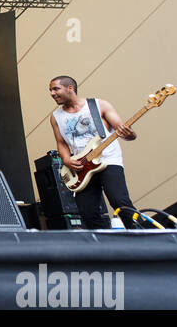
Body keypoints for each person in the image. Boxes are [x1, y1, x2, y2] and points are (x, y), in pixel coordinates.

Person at [47, 75, 137, 229]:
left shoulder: (99, 105)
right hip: (82, 167)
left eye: (56, 89)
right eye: (50, 90)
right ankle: (103, 245)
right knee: (87, 211)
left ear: (70, 88)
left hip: (108, 160)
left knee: (119, 201)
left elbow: (123, 131)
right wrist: (67, 160)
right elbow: (61, 143)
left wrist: (130, 134)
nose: (52, 93)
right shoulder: (56, 117)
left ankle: (141, 235)